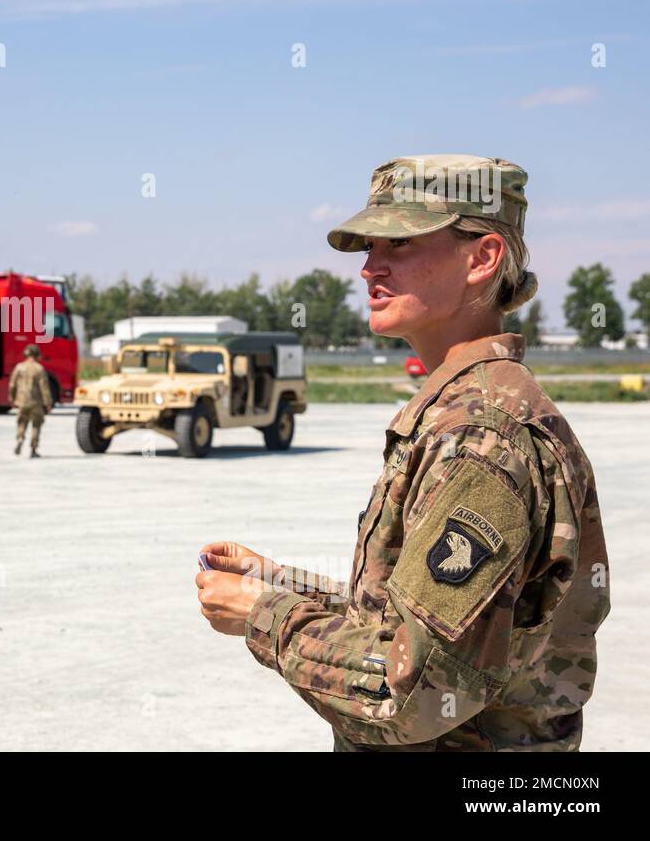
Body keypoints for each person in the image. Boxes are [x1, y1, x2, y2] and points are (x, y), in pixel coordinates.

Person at [195, 155, 610, 750]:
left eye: (398, 242)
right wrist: (276, 581)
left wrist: (263, 614)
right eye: (368, 245)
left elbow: (411, 691)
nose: (369, 267)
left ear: (483, 257)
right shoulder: (470, 410)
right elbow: (418, 618)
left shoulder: (481, 435)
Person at [9, 344, 53, 457]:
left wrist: (12, 398)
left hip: (22, 401)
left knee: (22, 422)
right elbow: (45, 388)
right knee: (36, 425)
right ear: (37, 355)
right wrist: (48, 403)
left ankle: (20, 439)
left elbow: (12, 385)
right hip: (36, 402)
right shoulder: (39, 369)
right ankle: (33, 449)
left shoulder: (19, 367)